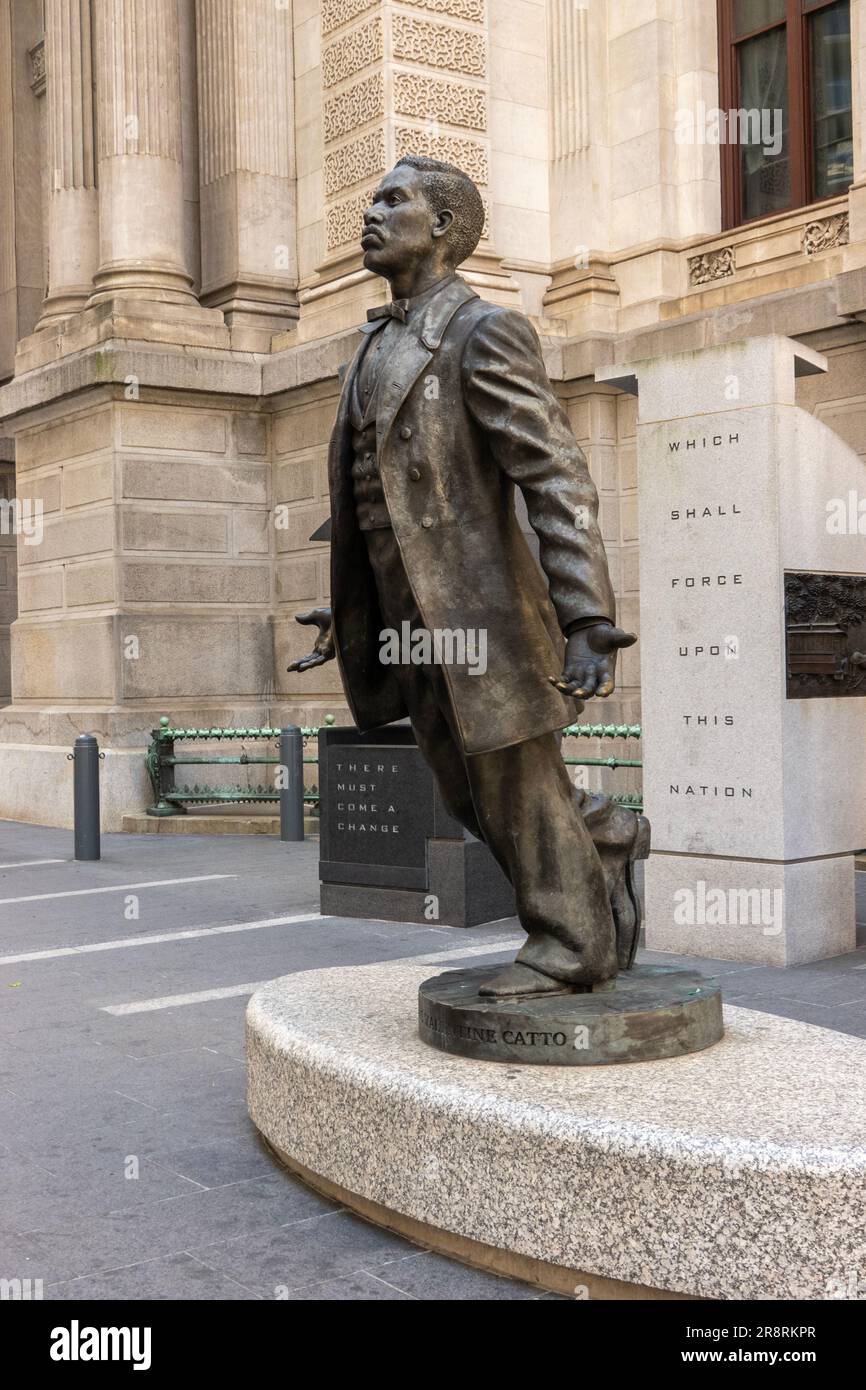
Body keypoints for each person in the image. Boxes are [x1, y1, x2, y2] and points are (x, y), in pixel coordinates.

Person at [289, 156, 648, 997]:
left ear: (445, 225)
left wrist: (586, 616)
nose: (369, 215)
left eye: (393, 200)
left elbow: (555, 474)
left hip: (481, 615)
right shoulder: (373, 345)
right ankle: (607, 836)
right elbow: (376, 504)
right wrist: (347, 610)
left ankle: (569, 947)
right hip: (406, 618)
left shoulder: (485, 331)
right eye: (373, 200)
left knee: (514, 783)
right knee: (464, 792)